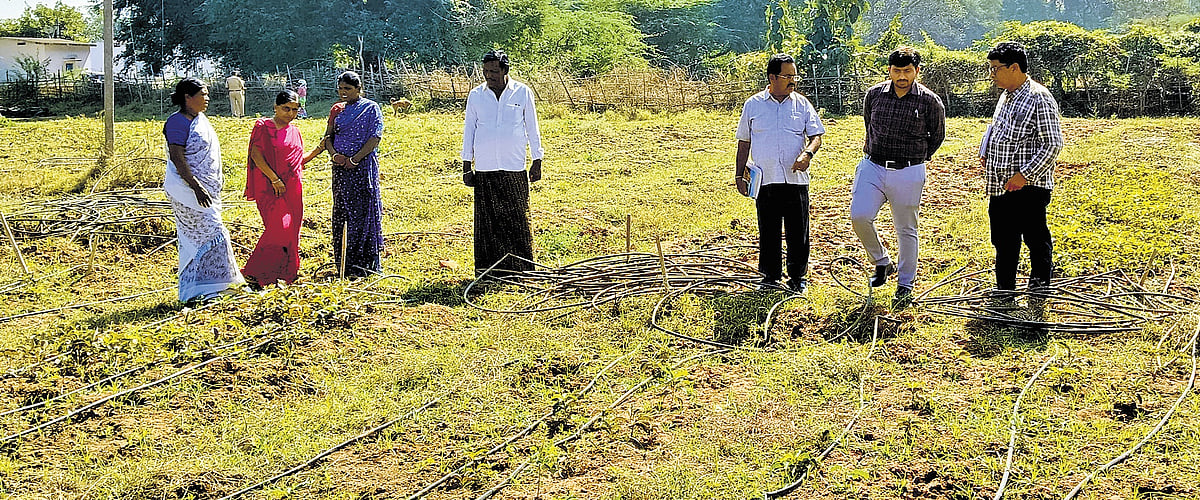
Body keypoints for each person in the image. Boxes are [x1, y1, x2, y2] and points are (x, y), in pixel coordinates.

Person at [851, 46, 946, 304]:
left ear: (917, 71)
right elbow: (868, 123)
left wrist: (917, 158)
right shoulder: (875, 95)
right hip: (873, 165)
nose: (902, 76)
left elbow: (937, 136)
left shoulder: (929, 101)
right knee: (859, 216)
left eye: (907, 71)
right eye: (897, 70)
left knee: (906, 228)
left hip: (908, 169)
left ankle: (905, 284)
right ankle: (881, 261)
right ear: (889, 70)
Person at [734, 53, 824, 293]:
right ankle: (770, 277)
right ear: (772, 77)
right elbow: (744, 141)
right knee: (768, 229)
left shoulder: (802, 104)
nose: (793, 80)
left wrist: (807, 155)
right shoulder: (753, 105)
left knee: (798, 230)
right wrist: (738, 175)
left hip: (796, 179)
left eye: (794, 76)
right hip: (765, 178)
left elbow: (816, 136)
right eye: (787, 76)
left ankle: (797, 278)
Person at [980, 41, 1063, 293]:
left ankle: (1039, 287)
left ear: (1014, 68)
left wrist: (1024, 175)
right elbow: (998, 130)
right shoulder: (1006, 95)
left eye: (995, 69)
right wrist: (986, 151)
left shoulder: (1039, 98)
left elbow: (1052, 143)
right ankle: (1005, 289)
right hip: (999, 184)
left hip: (1027, 186)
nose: (992, 74)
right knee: (1004, 240)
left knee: (1035, 238)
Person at [461, 49, 544, 276]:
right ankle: (489, 270)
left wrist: (537, 159)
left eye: (494, 71)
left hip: (515, 165)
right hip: (485, 168)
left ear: (505, 70)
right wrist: (467, 165)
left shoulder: (522, 92)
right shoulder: (476, 95)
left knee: (517, 217)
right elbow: (469, 130)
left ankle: (521, 269)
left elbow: (532, 128)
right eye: (486, 71)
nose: (489, 76)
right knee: (488, 220)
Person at [163, 77, 244, 301]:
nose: (207, 99)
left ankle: (216, 287)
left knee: (208, 236)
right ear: (188, 97)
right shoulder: (177, 122)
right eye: (203, 94)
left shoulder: (200, 120)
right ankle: (202, 289)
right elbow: (178, 159)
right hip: (187, 191)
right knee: (212, 234)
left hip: (206, 191)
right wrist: (197, 187)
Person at [308, 71, 385, 277]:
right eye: (341, 88)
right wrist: (334, 156)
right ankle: (345, 264)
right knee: (343, 211)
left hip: (362, 168)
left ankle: (366, 265)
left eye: (348, 89)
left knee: (363, 211)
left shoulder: (370, 108)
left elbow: (374, 137)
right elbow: (328, 137)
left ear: (359, 89)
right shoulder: (337, 110)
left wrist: (355, 159)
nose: (343, 93)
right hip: (341, 170)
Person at [242, 91, 318, 287]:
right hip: (270, 187)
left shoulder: (295, 131)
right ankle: (255, 271)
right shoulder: (263, 126)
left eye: (295, 110)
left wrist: (320, 149)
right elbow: (256, 155)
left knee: (292, 230)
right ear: (275, 107)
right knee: (279, 227)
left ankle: (286, 272)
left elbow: (298, 162)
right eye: (286, 108)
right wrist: (274, 179)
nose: (291, 113)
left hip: (293, 187)